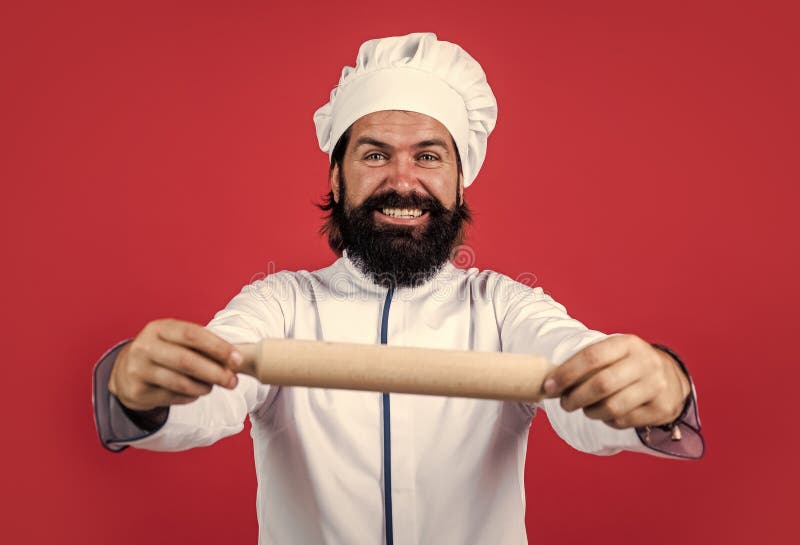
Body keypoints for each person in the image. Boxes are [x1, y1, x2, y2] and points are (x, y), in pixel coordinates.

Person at [92, 32, 704, 544]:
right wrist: (140, 387)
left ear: (461, 182)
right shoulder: (281, 305)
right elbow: (205, 397)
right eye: (376, 154)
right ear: (337, 174)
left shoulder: (502, 309)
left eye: (430, 157)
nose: (402, 180)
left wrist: (660, 384)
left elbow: (581, 377)